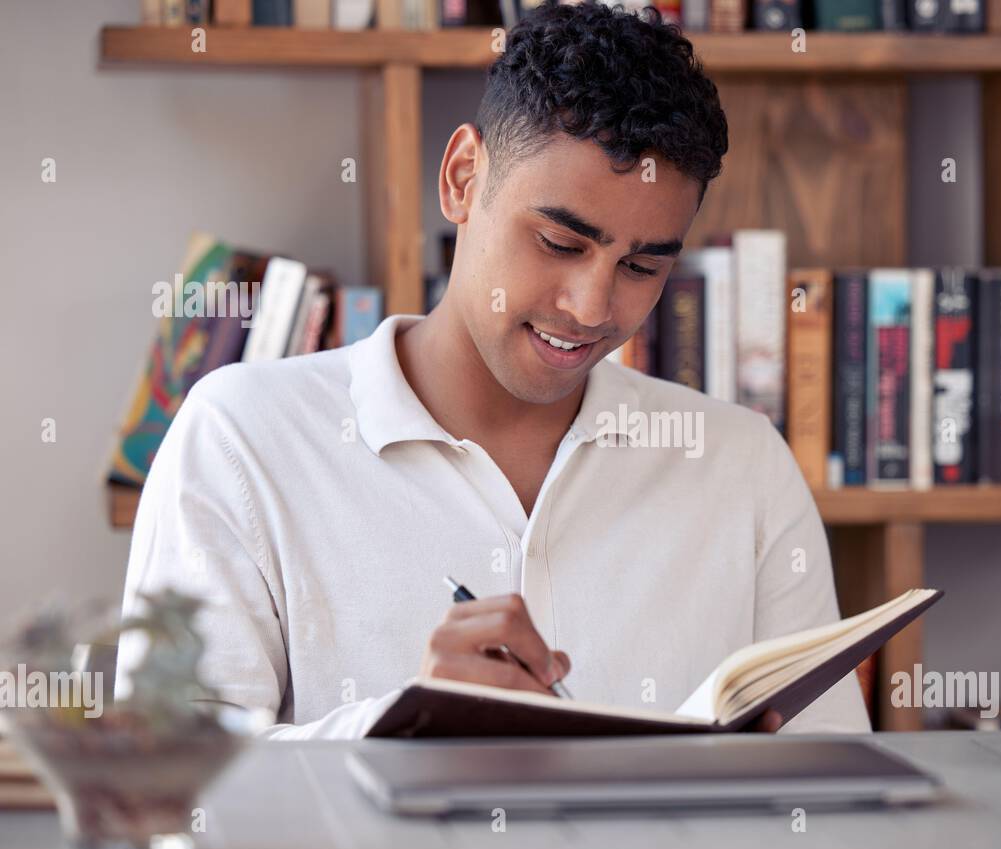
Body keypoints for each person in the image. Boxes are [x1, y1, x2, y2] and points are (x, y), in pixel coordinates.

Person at [116, 0, 871, 739]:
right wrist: (401, 725)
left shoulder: (742, 466)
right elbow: (166, 781)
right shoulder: (241, 438)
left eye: (641, 265)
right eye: (560, 244)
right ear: (462, 178)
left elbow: (844, 811)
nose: (590, 306)